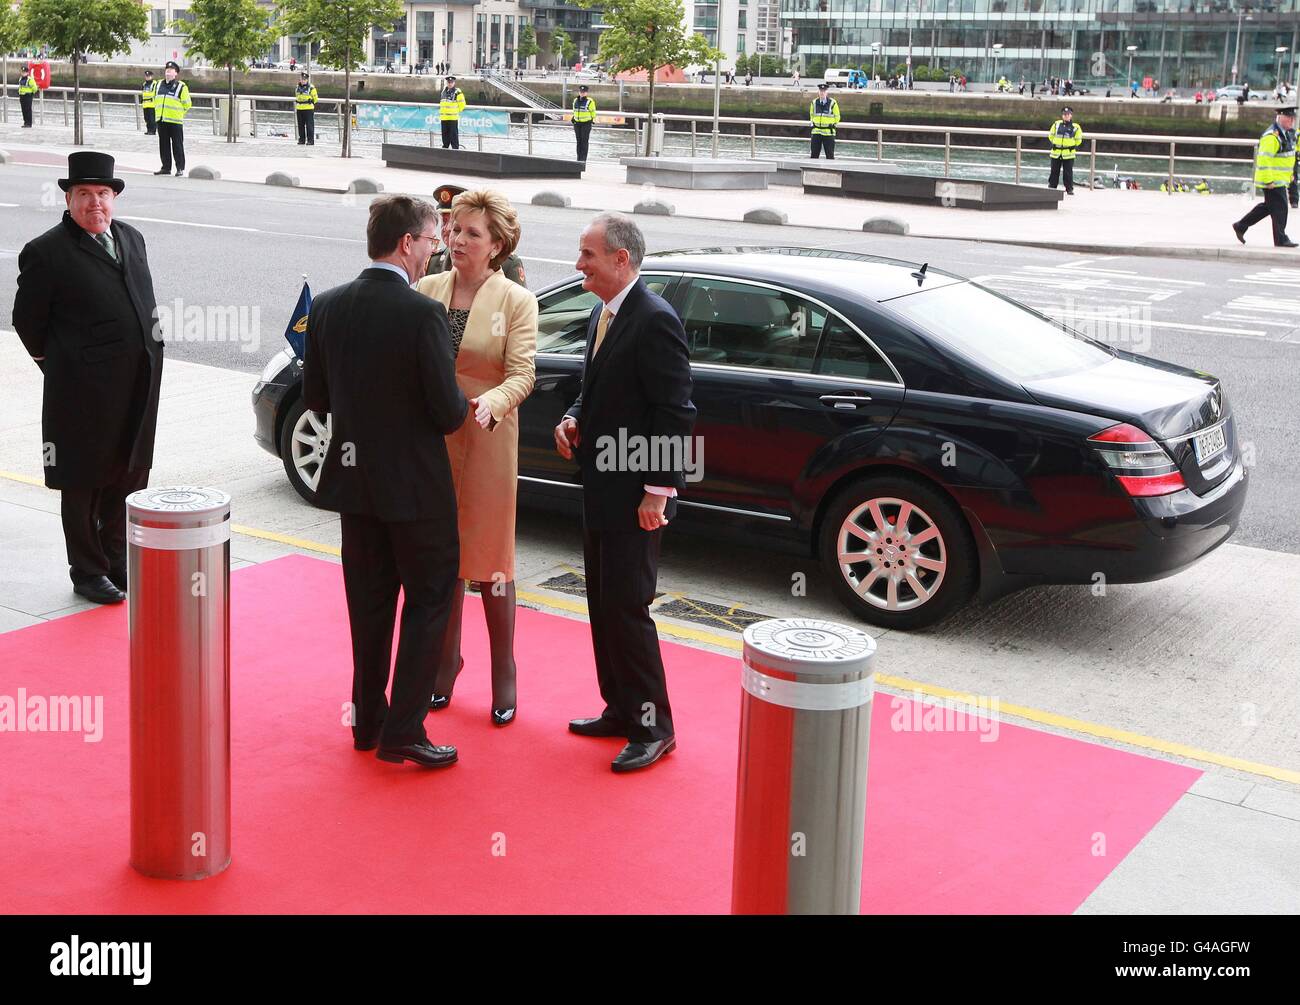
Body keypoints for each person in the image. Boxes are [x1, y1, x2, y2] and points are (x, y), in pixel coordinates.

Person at [302, 195, 469, 767]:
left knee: (369, 607)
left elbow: (316, 398)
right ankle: (404, 729)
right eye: (430, 243)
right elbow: (448, 414)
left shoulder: (325, 306)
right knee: (429, 600)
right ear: (406, 244)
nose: (434, 252)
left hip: (356, 488)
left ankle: (367, 723)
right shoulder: (423, 314)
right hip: (417, 492)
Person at [553, 213, 696, 774]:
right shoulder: (602, 313)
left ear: (621, 259)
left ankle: (653, 727)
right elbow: (595, 389)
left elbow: (675, 411)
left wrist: (658, 492)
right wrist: (571, 418)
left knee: (629, 607)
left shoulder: (655, 319)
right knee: (602, 602)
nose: (578, 263)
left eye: (587, 254)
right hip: (601, 484)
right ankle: (619, 708)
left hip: (637, 490)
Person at [12, 152, 165, 605]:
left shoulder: (132, 238)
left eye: (103, 194)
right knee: (82, 480)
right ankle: (88, 570)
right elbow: (27, 321)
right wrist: (62, 365)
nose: (94, 203)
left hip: (138, 384)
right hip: (80, 393)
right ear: (68, 198)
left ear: (114, 197)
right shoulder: (46, 252)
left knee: (128, 474)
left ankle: (116, 561)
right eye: (84, 194)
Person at [413, 191, 537, 725]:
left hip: (487, 438)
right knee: (442, 559)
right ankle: (446, 662)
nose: (457, 240)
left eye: (472, 234)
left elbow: (523, 373)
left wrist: (493, 401)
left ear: (498, 245)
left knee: (491, 561)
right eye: (454, 229)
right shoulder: (426, 289)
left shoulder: (516, 300)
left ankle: (503, 666)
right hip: (432, 441)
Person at [425, 183, 526, 284]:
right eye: (444, 221)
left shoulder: (508, 266)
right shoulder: (433, 264)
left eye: (473, 234)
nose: (447, 228)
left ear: (496, 247)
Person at [1232, 105, 1297, 247]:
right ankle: (1281, 239)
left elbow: (1286, 158)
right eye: (1289, 118)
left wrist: (1291, 175)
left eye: (1293, 118)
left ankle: (1241, 225)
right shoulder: (1272, 136)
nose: (1291, 121)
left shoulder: (1286, 134)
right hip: (1272, 180)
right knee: (1280, 208)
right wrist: (1269, 180)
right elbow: (1264, 159)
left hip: (1279, 179)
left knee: (1268, 207)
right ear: (1280, 118)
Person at [153, 61, 191, 177]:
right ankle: (166, 167)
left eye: (171, 70)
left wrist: (178, 114)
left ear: (176, 73)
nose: (168, 72)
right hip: (161, 120)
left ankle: (180, 168)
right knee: (163, 145)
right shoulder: (158, 84)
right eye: (167, 70)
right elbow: (155, 99)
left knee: (177, 145)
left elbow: (187, 104)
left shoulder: (181, 86)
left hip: (175, 121)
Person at [1047, 106, 1083, 195]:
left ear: (1071, 115)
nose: (1066, 116)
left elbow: (1078, 140)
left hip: (1068, 154)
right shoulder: (1056, 124)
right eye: (1064, 114)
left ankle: (1069, 189)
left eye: (1068, 114)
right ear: (1062, 115)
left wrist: (1071, 146)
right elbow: (1050, 136)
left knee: (1068, 173)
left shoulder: (1076, 127)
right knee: (1054, 171)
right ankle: (1052, 187)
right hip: (1056, 153)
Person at [809, 82, 841, 159]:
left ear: (827, 92)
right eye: (820, 91)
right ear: (818, 92)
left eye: (824, 91)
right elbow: (811, 115)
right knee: (814, 155)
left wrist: (832, 124)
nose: (822, 93)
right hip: (816, 132)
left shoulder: (833, 103)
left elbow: (837, 116)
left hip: (829, 133)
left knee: (830, 156)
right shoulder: (814, 103)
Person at [439, 74, 466, 149]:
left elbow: (462, 104)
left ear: (454, 83)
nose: (450, 83)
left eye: (451, 82)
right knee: (445, 136)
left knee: (453, 136)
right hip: (444, 118)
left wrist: (456, 111)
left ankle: (455, 151)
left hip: (453, 117)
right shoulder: (443, 91)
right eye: (448, 82)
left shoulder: (457, 92)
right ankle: (445, 150)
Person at [572, 83, 596, 162]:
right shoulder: (575, 100)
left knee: (584, 141)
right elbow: (574, 111)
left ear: (586, 93)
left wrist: (592, 120)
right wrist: (574, 118)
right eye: (581, 92)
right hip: (577, 124)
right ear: (579, 92)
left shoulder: (590, 101)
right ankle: (578, 158)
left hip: (586, 124)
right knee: (578, 141)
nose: (582, 93)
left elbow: (593, 112)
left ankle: (583, 160)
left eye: (584, 92)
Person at [294, 71, 318, 145]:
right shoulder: (297, 87)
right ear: (300, 80)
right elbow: (297, 96)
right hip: (299, 108)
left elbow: (315, 98)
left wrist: (310, 103)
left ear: (307, 80)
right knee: (300, 126)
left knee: (309, 125)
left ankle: (310, 140)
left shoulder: (311, 88)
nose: (303, 81)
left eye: (304, 79)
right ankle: (302, 140)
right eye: (302, 79)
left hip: (308, 109)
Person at [140, 69, 157, 135]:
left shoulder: (155, 83)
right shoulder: (144, 84)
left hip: (152, 104)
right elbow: (143, 93)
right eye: (146, 76)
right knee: (146, 118)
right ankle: (149, 130)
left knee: (152, 119)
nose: (147, 77)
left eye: (149, 76)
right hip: (145, 104)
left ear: (152, 76)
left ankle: (153, 131)